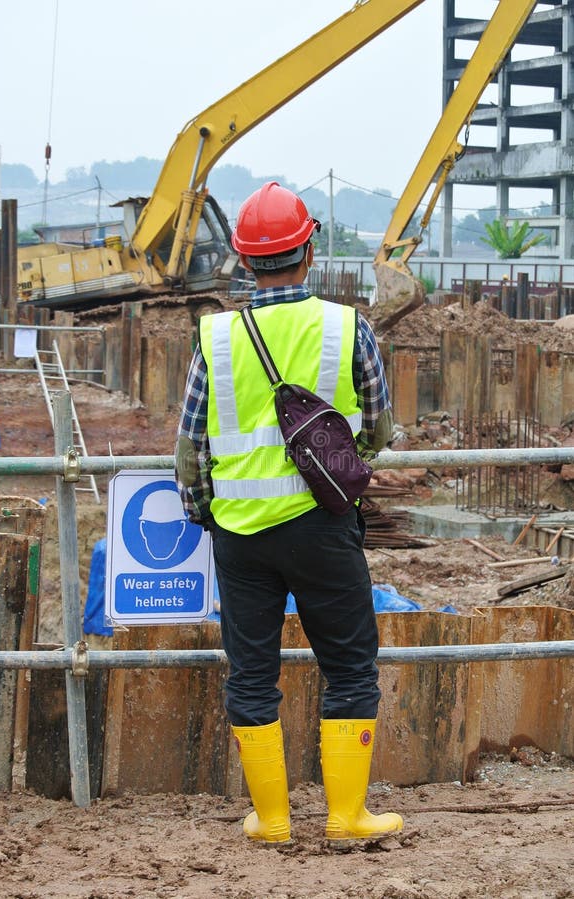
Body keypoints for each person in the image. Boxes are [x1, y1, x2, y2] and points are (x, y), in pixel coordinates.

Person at [176, 181, 402, 844]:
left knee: (251, 675)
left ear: (244, 263)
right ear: (311, 250)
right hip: (323, 524)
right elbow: (382, 428)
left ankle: (272, 821)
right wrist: (342, 466)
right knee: (351, 666)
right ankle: (347, 816)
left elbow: (190, 448)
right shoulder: (345, 327)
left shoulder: (214, 338)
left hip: (240, 537)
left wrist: (204, 511)